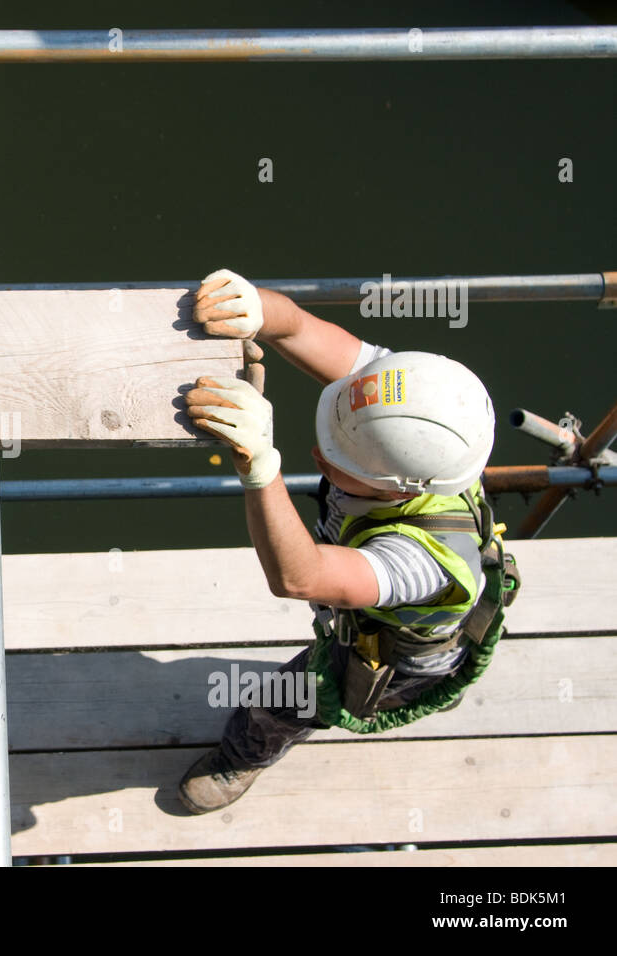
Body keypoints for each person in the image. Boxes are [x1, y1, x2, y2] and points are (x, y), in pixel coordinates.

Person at [177, 268, 515, 815]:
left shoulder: (422, 560)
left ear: (398, 487)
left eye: (339, 460)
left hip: (392, 655)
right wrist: (259, 309)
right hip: (372, 609)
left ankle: (241, 755)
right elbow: (298, 329)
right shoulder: (405, 406)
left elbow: (299, 577)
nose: (320, 452)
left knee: (281, 704)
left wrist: (259, 465)